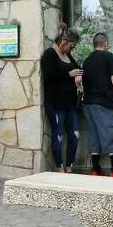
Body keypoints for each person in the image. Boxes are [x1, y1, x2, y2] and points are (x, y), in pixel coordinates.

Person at [40, 24, 83, 173]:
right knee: (57, 135)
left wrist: (77, 76)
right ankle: (59, 167)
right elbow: (49, 77)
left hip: (70, 103)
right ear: (64, 41)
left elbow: (77, 68)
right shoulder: (49, 54)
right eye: (71, 45)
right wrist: (68, 75)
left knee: (75, 134)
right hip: (55, 103)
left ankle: (69, 165)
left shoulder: (68, 55)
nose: (72, 49)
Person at [81, 32, 113, 177]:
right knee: (111, 132)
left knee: (94, 134)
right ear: (105, 44)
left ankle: (95, 168)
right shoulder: (109, 57)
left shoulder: (86, 61)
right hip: (104, 102)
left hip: (87, 103)